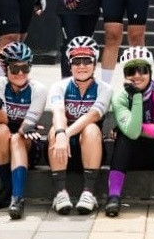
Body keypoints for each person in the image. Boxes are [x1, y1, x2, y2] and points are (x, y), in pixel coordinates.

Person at [105, 46, 154, 219]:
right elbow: (132, 133)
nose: (137, 75)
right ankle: (113, 197)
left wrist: (130, 126)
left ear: (150, 72)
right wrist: (137, 99)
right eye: (131, 71)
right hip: (133, 156)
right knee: (124, 137)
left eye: (142, 70)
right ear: (124, 75)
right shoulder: (119, 98)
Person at [47, 36, 112, 216]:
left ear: (95, 64)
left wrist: (65, 134)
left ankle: (89, 193)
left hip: (91, 149)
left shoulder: (105, 88)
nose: (81, 66)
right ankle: (60, 193)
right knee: (54, 130)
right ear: (69, 64)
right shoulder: (59, 86)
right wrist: (61, 134)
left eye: (87, 61)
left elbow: (93, 115)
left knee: (90, 128)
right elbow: (58, 112)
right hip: (61, 150)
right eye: (76, 61)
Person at [0, 41, 48, 219]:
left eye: (25, 67)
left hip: (27, 141)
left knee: (16, 138)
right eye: (14, 68)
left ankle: (17, 198)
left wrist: (23, 129)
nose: (20, 73)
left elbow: (26, 127)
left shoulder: (39, 89)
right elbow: (0, 121)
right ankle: (9, 188)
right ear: (4, 68)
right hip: (2, 141)